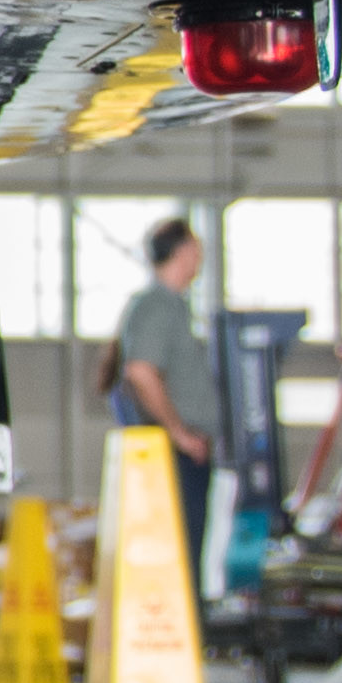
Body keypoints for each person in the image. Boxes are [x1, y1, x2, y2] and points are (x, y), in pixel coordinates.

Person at [114, 214, 221, 580]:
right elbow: (141, 371)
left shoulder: (172, 306)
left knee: (191, 551)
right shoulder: (157, 306)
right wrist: (179, 433)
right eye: (197, 247)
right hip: (176, 453)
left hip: (184, 449)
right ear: (184, 251)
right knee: (181, 554)